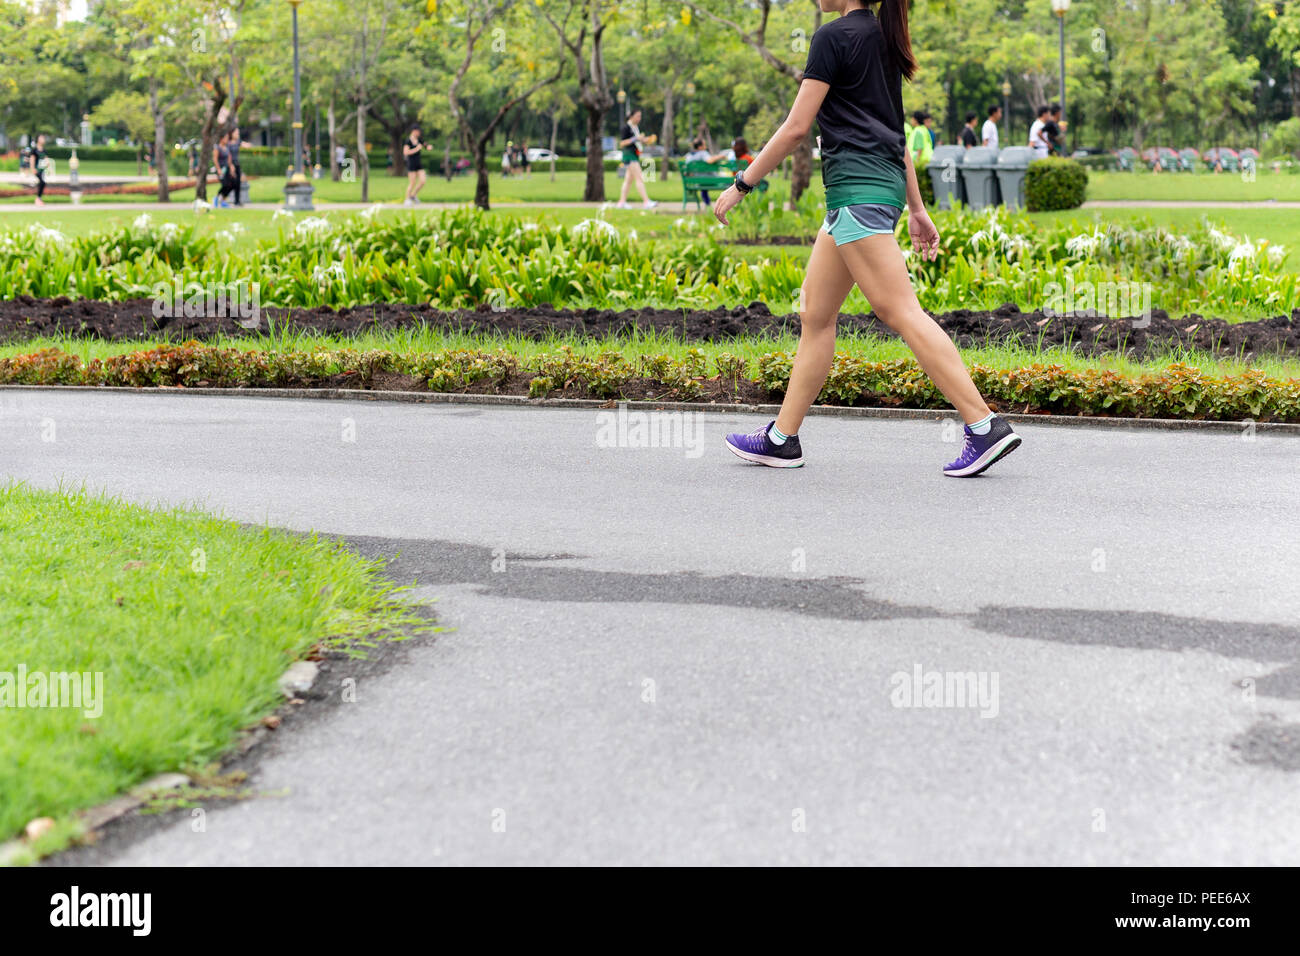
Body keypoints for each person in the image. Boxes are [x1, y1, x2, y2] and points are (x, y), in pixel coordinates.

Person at [714, 0, 1020, 476]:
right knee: (816, 315)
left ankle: (983, 426)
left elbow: (797, 127)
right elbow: (895, 136)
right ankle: (782, 438)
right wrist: (916, 209)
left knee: (900, 311)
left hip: (857, 194)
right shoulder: (883, 37)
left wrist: (742, 184)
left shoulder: (833, 37)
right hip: (866, 194)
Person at [616, 108, 658, 209]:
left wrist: (647, 140)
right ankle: (646, 201)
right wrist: (635, 138)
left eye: (640, 116)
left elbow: (638, 141)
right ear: (631, 116)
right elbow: (622, 143)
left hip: (635, 155)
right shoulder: (626, 128)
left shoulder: (635, 128)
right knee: (639, 177)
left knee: (628, 180)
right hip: (629, 155)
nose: (639, 118)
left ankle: (621, 203)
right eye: (638, 116)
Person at [403, 125, 429, 206]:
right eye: (418, 131)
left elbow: (425, 144)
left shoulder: (418, 140)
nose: (419, 133)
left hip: (418, 164)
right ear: (414, 131)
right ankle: (407, 199)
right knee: (412, 182)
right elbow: (406, 152)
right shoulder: (408, 141)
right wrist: (416, 149)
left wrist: (428, 146)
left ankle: (413, 195)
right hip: (411, 164)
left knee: (423, 181)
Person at [214, 132, 235, 208]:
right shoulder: (217, 147)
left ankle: (223, 200)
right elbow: (215, 159)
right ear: (221, 139)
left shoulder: (227, 148)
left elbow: (229, 159)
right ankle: (216, 197)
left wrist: (231, 167)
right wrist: (218, 169)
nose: (227, 139)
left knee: (231, 185)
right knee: (225, 184)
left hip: (227, 169)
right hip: (221, 169)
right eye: (225, 138)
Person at [28, 134, 48, 207]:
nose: (43, 139)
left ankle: (39, 199)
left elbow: (45, 158)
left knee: (41, 183)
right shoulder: (34, 150)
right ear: (38, 140)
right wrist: (32, 168)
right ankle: (38, 199)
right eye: (41, 138)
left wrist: (47, 163)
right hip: (37, 169)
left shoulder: (43, 150)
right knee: (42, 182)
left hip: (42, 169)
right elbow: (32, 159)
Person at [229, 127, 244, 206]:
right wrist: (231, 165)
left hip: (237, 164)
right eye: (236, 133)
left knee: (238, 183)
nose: (238, 134)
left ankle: (237, 201)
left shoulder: (238, 142)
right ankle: (222, 197)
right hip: (230, 165)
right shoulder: (228, 143)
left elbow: (245, 144)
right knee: (231, 183)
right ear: (232, 133)